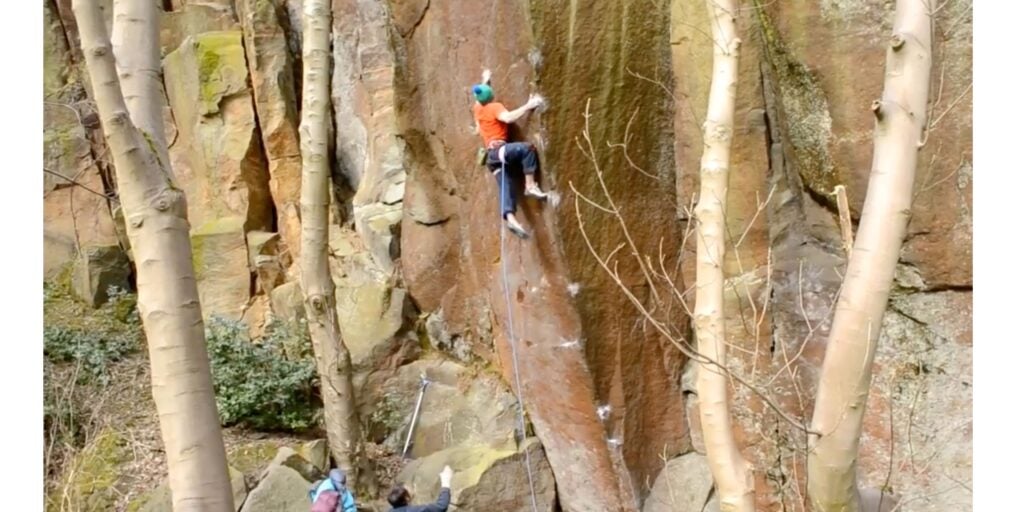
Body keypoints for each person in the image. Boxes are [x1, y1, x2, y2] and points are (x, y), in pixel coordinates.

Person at [472, 68, 548, 239]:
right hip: (499, 151)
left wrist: (485, 79)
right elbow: (508, 118)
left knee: (506, 186)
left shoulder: (477, 109)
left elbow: (479, 95)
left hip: (493, 159)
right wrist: (529, 106)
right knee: (527, 149)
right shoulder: (494, 107)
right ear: (491, 97)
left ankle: (510, 218)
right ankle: (530, 186)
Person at [387, 465, 454, 511]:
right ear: (406, 498)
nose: (411, 487)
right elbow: (441, 506)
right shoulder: (416, 510)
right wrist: (446, 481)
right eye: (408, 488)